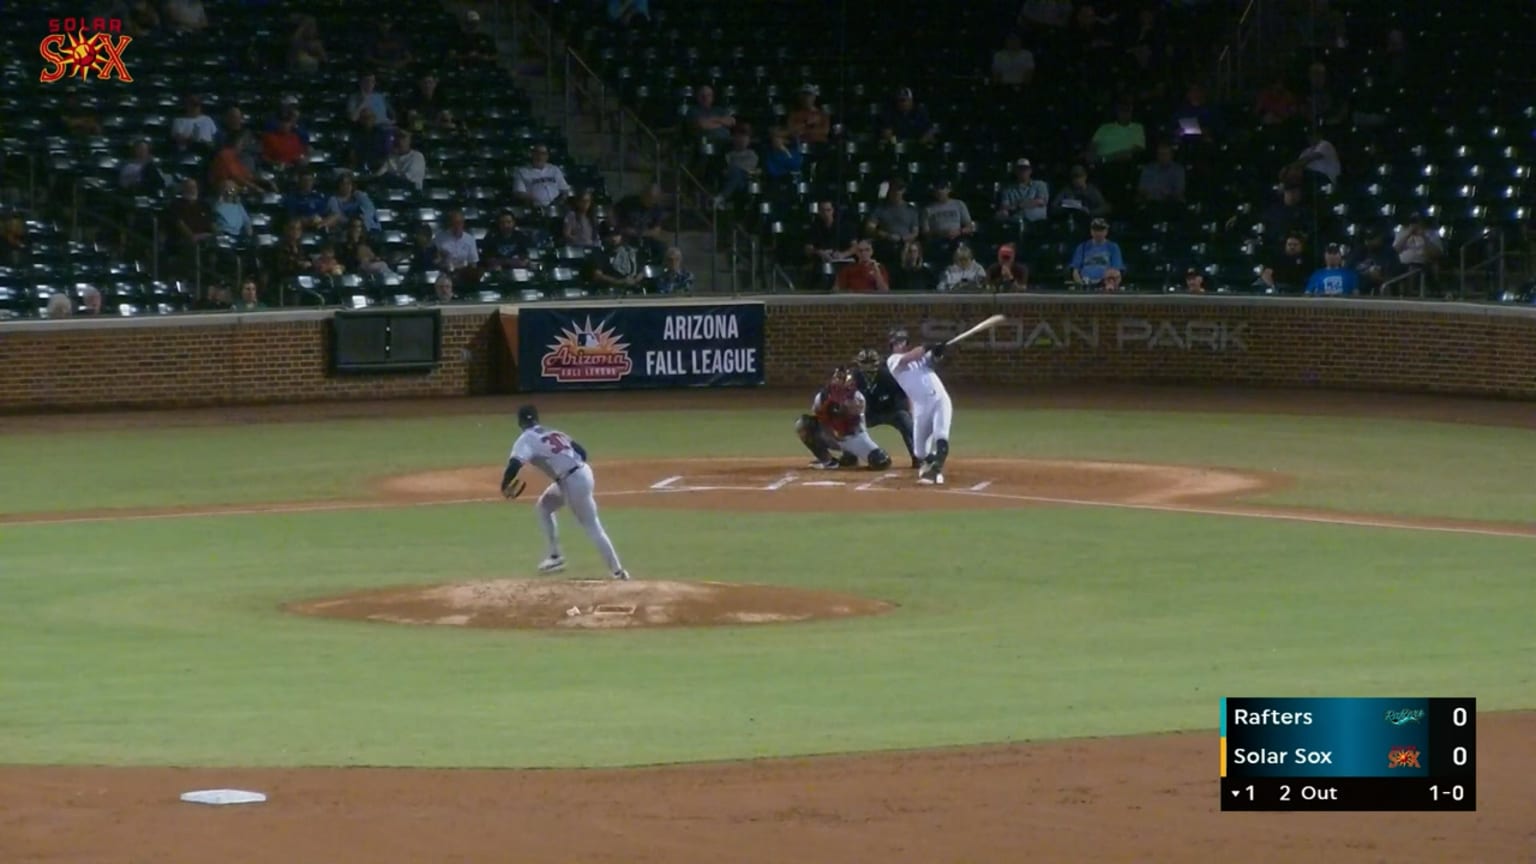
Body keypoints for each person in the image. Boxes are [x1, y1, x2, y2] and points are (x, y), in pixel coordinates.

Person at [500, 404, 629, 581]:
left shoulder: (525, 439)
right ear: (537, 419)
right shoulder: (552, 432)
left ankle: (618, 571)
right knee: (544, 506)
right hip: (583, 472)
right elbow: (582, 452)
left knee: (592, 526)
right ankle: (555, 556)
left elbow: (515, 464)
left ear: (520, 423)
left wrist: (504, 484)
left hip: (571, 482)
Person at [886, 328, 953, 485]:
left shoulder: (922, 358)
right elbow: (910, 357)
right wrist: (928, 346)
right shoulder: (893, 361)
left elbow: (935, 360)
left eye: (902, 342)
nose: (900, 345)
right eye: (897, 343)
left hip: (939, 399)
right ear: (892, 345)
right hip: (921, 407)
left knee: (941, 434)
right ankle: (932, 461)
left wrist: (938, 352)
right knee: (920, 452)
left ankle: (936, 470)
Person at [794, 367, 894, 470]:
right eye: (838, 379)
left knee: (881, 461)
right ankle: (828, 461)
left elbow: (852, 422)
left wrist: (844, 407)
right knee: (803, 424)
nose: (840, 384)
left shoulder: (857, 398)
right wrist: (829, 430)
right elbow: (818, 417)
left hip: (854, 437)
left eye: (844, 381)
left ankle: (850, 455)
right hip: (831, 435)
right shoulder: (822, 397)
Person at [853, 348, 919, 468]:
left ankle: (917, 456)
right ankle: (850, 456)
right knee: (848, 421)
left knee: (904, 418)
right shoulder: (854, 378)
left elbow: (903, 395)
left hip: (888, 411)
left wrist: (906, 411)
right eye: (865, 363)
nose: (868, 367)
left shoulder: (888, 376)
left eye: (870, 363)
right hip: (866, 414)